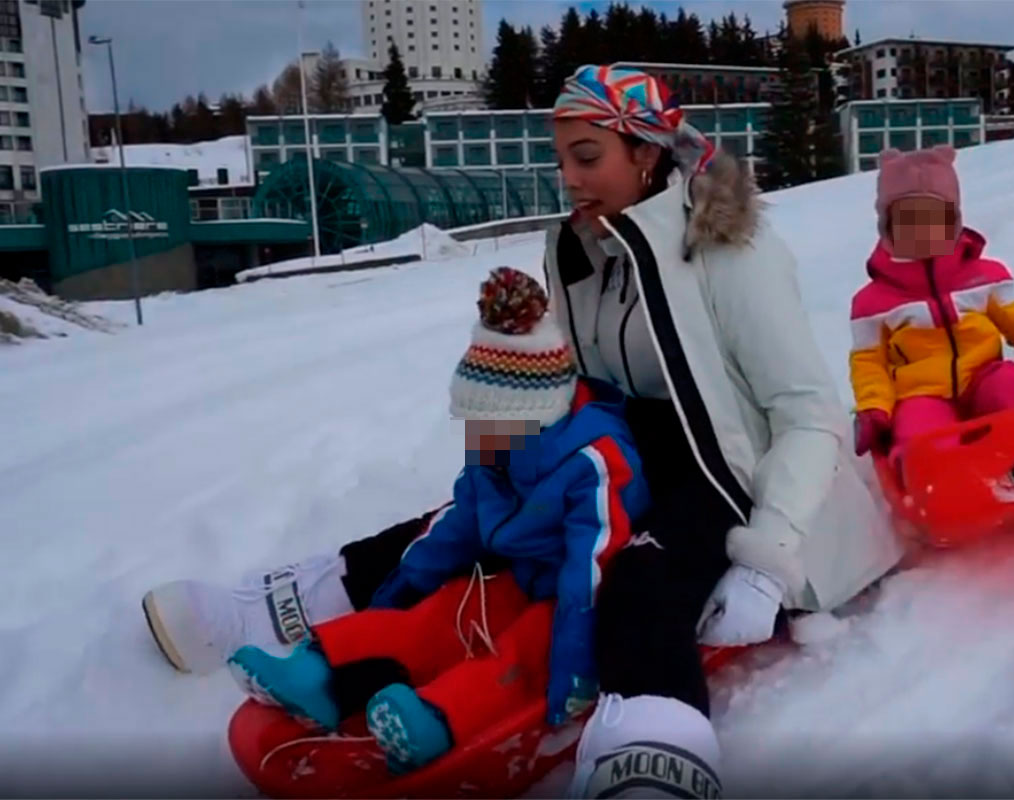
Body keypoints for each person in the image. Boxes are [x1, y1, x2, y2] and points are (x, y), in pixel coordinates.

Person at [143, 65, 903, 798]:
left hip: (728, 472)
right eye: (561, 159)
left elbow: (805, 410)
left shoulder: (729, 249)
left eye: (587, 157)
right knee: (479, 522)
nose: (568, 178)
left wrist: (768, 556)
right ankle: (280, 607)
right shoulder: (582, 249)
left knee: (638, 589)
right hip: (629, 451)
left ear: (645, 153)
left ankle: (654, 757)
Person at [227, 267, 650, 774]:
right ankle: (318, 674)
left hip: (579, 601)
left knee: (522, 651)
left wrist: (577, 668)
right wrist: (403, 588)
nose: (474, 437)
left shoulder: (595, 461)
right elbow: (457, 525)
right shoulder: (496, 455)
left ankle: (435, 718)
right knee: (438, 615)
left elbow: (592, 569)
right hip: (518, 580)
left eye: (485, 426)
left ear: (530, 415)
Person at [850, 146, 1014, 466]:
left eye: (934, 219)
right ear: (888, 226)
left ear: (953, 221)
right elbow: (869, 362)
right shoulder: (873, 302)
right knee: (922, 439)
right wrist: (875, 409)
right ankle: (939, 476)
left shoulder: (983, 277)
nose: (923, 231)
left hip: (986, 377)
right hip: (921, 395)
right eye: (909, 220)